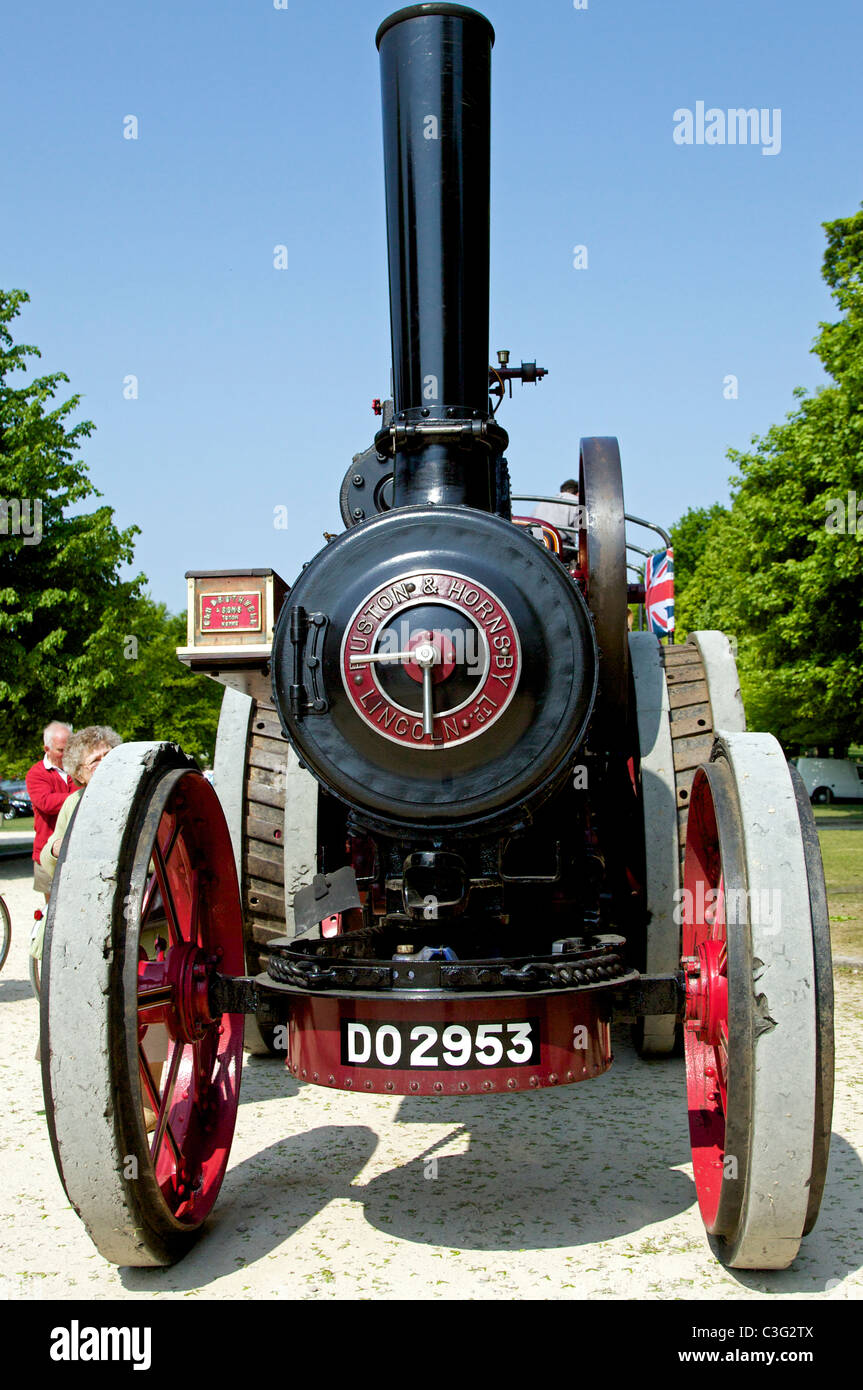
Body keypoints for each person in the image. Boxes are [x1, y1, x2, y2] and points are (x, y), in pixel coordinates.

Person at [39, 726, 122, 888]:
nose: (106, 763)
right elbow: (47, 857)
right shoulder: (74, 802)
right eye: (95, 761)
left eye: (110, 755)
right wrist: (57, 849)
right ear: (79, 775)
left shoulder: (138, 793)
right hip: (90, 888)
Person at [25, 721, 79, 897]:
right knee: (52, 912)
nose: (66, 755)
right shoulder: (36, 774)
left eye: (69, 749)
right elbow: (46, 803)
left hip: (77, 851)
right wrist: (80, 797)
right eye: (60, 750)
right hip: (47, 852)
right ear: (46, 749)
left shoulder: (78, 770)